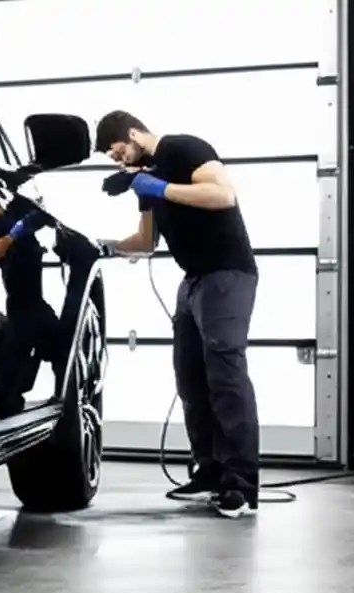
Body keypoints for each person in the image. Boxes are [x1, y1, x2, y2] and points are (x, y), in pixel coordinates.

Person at [94, 110, 261, 518]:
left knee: (225, 376)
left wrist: (158, 185)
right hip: (192, 283)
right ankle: (209, 471)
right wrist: (102, 246)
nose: (121, 162)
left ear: (133, 134)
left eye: (119, 153)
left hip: (227, 274)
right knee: (190, 379)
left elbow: (223, 196)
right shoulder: (146, 179)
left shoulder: (185, 148)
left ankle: (240, 486)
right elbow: (146, 241)